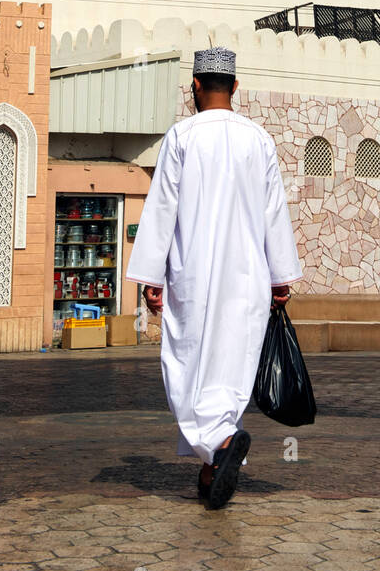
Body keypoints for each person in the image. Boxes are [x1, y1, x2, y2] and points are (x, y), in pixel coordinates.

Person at [126, 47, 303, 509]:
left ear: (196, 88)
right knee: (230, 367)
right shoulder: (258, 139)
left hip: (193, 275)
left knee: (186, 368)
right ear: (236, 88)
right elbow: (274, 210)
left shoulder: (182, 136)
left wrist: (151, 277)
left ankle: (218, 449)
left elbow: (162, 208)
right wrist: (280, 276)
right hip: (247, 277)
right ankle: (214, 463)